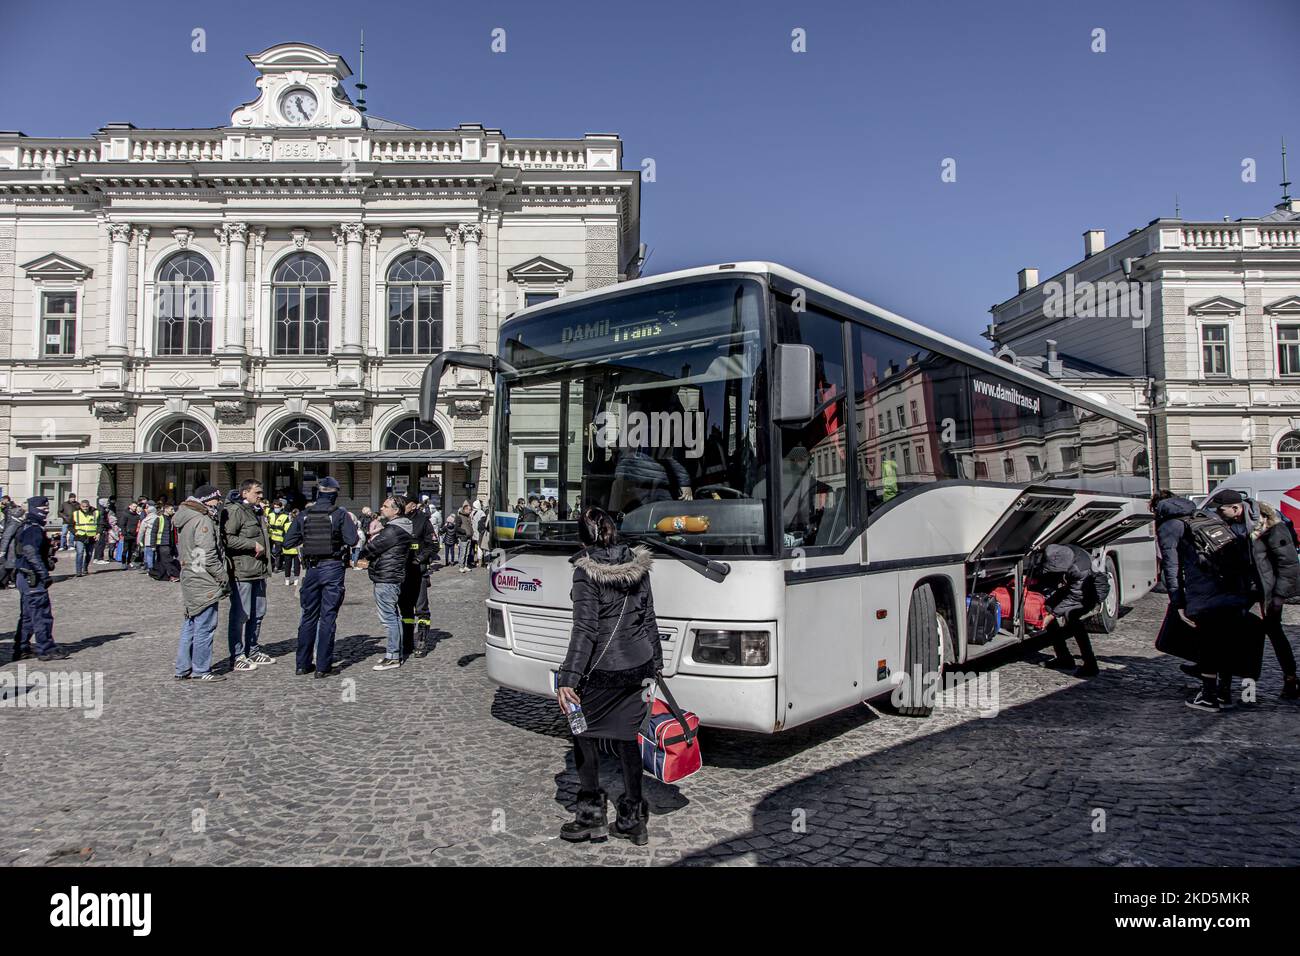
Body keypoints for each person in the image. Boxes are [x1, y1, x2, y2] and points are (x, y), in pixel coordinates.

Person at [555, 507, 663, 846]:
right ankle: (633, 819)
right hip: (638, 664)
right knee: (628, 738)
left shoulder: (585, 570)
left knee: (582, 732)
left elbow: (585, 629)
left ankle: (590, 817)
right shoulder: (638, 565)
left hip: (601, 670)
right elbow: (649, 619)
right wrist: (655, 665)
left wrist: (568, 678)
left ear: (583, 537)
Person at [1153, 490, 1253, 713]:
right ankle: (1224, 692)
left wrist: (1178, 602)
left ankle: (1208, 696)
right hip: (1236, 589)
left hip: (1206, 594)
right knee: (1225, 641)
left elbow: (1171, 568)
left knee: (1209, 641)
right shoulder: (1207, 517)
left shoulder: (1170, 526)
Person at [1219, 491, 1300, 700]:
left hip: (1268, 591)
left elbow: (1289, 564)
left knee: (1274, 633)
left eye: (1222, 509)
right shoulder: (1230, 523)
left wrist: (1279, 597)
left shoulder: (1272, 524)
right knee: (1233, 633)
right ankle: (1225, 687)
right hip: (1244, 589)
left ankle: (1290, 679)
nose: (1219, 513)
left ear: (1236, 508)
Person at [282, 477, 358, 678]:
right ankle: (323, 666)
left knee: (308, 616)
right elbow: (352, 540)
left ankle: (302, 664)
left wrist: (306, 539)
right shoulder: (340, 514)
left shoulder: (304, 515)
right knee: (328, 617)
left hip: (311, 569)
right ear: (334, 495)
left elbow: (288, 542)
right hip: (332, 567)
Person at [174, 485, 229, 683]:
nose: (219, 502)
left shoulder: (187, 517)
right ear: (206, 500)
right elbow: (206, 553)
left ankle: (182, 667)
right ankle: (201, 668)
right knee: (205, 625)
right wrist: (222, 576)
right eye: (216, 499)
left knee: (190, 623)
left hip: (190, 573)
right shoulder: (202, 519)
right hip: (202, 577)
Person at [1031, 543, 1109, 678]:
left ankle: (1091, 664)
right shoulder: (1060, 552)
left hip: (1093, 591)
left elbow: (1075, 597)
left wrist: (1052, 615)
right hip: (1074, 588)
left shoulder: (1080, 568)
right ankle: (1064, 658)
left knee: (1072, 617)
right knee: (1048, 607)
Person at [356, 495, 415, 670]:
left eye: (385, 506)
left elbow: (372, 547)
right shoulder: (398, 527)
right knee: (393, 617)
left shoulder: (393, 530)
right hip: (391, 575)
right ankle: (394, 653)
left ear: (396, 510)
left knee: (389, 618)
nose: (381, 508)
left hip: (387, 577)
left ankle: (393, 655)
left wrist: (364, 552)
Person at [222, 478, 274, 673]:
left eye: (261, 493)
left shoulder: (257, 511)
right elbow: (228, 538)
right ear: (244, 493)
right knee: (240, 615)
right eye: (257, 492)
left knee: (258, 613)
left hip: (259, 570)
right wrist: (251, 545)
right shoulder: (236, 511)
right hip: (242, 571)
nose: (260, 496)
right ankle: (237, 655)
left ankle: (252, 649)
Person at [14, 496, 67, 662]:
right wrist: (43, 573)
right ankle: (46, 648)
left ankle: (22, 647)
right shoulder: (34, 528)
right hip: (32, 577)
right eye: (43, 509)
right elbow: (30, 551)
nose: (46, 512)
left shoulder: (26, 526)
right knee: (41, 614)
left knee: (28, 616)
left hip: (23, 575)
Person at [403, 497, 437, 655]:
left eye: (406, 503)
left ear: (413, 505)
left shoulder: (423, 520)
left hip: (419, 570)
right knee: (405, 610)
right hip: (402, 572)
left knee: (421, 608)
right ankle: (407, 643)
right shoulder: (399, 520)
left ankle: (422, 641)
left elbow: (432, 545)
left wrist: (420, 558)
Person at [149, 504, 180, 581]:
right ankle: (175, 575)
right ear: (166, 509)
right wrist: (153, 545)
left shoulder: (172, 519)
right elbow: (153, 532)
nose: (173, 511)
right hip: (162, 543)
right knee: (168, 560)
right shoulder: (159, 519)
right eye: (171, 509)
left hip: (170, 543)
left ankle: (157, 574)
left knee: (160, 561)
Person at [72, 498, 98, 576]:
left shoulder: (95, 513)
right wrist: (75, 532)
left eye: (86, 506)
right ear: (80, 506)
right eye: (83, 506)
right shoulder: (76, 513)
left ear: (89, 506)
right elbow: (70, 524)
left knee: (89, 554)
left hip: (91, 536)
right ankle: (78, 571)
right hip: (80, 536)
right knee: (80, 553)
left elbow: (100, 524)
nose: (85, 508)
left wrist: (98, 533)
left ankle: (85, 568)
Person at [266, 498, 291, 574]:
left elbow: (287, 527)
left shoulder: (285, 516)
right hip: (270, 536)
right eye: (275, 507)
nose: (276, 509)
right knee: (269, 552)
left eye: (277, 507)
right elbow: (267, 524)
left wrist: (279, 528)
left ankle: (277, 566)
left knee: (278, 553)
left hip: (279, 537)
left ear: (281, 507)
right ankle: (270, 565)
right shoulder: (270, 515)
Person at [281, 510, 302, 586]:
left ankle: (287, 580)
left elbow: (283, 536)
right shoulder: (299, 525)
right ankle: (296, 580)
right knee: (297, 565)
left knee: (287, 565)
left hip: (287, 549)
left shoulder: (286, 525)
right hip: (296, 549)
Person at [120, 502, 141, 570]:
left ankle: (129, 562)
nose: (135, 508)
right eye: (134, 506)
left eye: (136, 506)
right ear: (130, 506)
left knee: (132, 550)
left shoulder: (137, 516)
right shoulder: (125, 514)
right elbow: (122, 524)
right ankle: (123, 563)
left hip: (134, 535)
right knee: (125, 550)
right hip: (127, 534)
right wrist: (124, 533)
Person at [138, 504, 158, 574]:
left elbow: (141, 532)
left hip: (148, 540)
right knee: (156, 555)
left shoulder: (146, 520)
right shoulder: (159, 518)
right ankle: (156, 568)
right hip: (157, 540)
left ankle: (150, 569)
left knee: (149, 555)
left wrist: (139, 540)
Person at [93, 497, 112, 565]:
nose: (108, 504)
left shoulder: (101, 510)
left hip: (99, 529)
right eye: (107, 503)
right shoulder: (102, 511)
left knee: (98, 544)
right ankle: (99, 558)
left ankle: (96, 558)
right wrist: (108, 526)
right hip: (101, 529)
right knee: (101, 544)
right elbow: (101, 522)